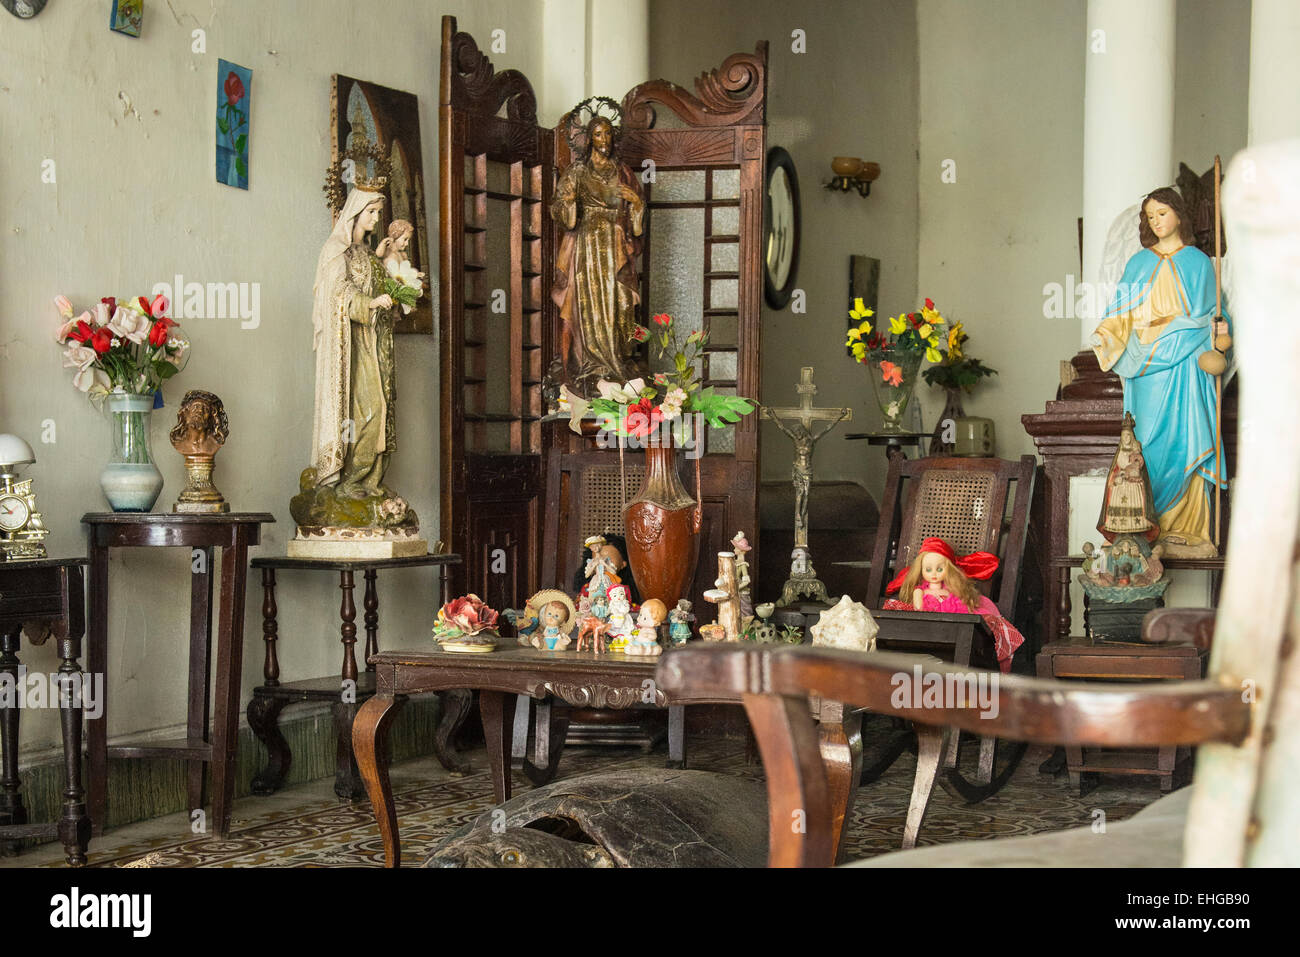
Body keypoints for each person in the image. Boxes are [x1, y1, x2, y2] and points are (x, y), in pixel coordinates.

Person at [1090, 187, 1229, 558]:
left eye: (1162, 213)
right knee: (1147, 443)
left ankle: (1189, 531)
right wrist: (1106, 333)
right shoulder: (1139, 263)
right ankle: (1147, 526)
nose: (1157, 221)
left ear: (1179, 215)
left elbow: (1216, 314)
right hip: (1148, 367)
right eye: (1150, 216)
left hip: (1188, 365)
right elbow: (1120, 312)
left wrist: (1220, 333)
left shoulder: (1199, 263)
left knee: (1190, 434)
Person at [309, 188, 398, 500]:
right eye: (371, 211)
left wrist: (386, 267)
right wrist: (370, 304)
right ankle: (348, 480)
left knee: (383, 405)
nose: (375, 218)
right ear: (356, 211)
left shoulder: (366, 252)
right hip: (351, 347)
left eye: (377, 212)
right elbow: (339, 292)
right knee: (366, 409)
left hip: (373, 342)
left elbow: (375, 282)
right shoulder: (337, 250)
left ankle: (369, 480)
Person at [550, 113, 645, 391]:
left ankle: (616, 363)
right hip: (586, 246)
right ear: (590, 139)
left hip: (615, 245)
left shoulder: (623, 172)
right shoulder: (578, 172)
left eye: (608, 134)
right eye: (599, 134)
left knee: (618, 303)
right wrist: (569, 204)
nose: (605, 140)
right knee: (587, 304)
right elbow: (558, 209)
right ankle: (589, 365)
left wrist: (637, 203)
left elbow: (637, 224)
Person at [883, 537, 1023, 672]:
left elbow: (959, 603)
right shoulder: (919, 590)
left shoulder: (950, 591)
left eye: (939, 569)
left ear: (948, 569)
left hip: (951, 624)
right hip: (927, 622)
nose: (934, 574)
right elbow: (918, 608)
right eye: (928, 569)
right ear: (921, 570)